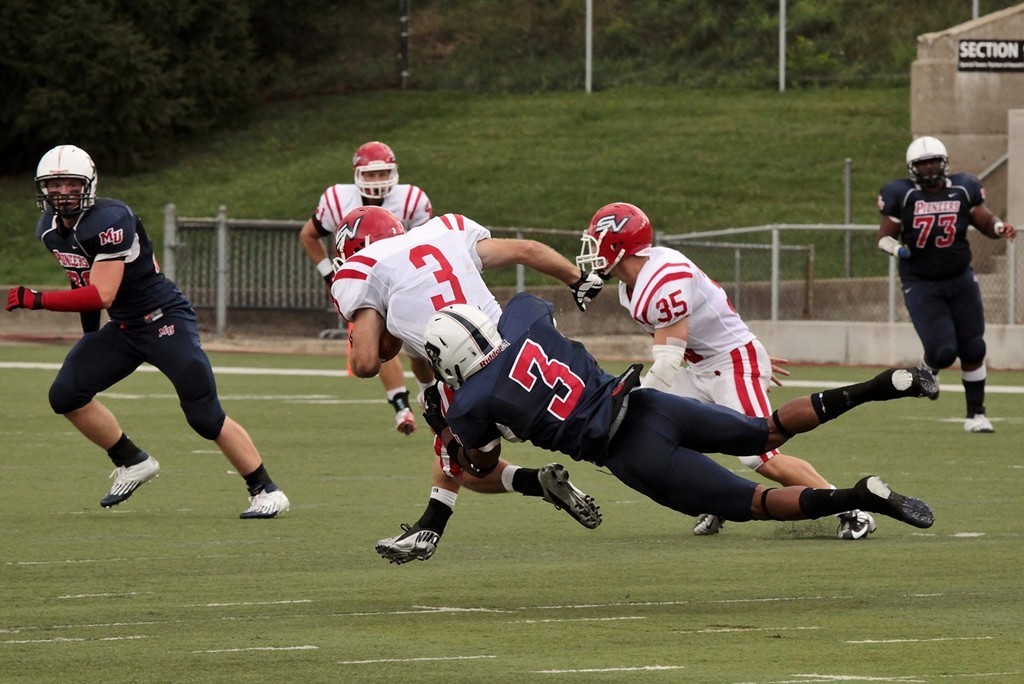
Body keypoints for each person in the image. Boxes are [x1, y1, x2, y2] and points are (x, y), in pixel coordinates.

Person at [421, 294, 938, 537]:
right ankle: (877, 386)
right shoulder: (523, 317)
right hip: (648, 404)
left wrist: (446, 428)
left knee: (755, 503)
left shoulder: (471, 403)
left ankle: (858, 494)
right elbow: (538, 316)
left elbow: (483, 467)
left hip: (628, 452)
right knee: (767, 428)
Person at [5, 145, 289, 519]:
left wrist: (37, 300)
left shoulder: (110, 218)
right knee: (66, 394)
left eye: (70, 183)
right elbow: (81, 282)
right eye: (53, 184)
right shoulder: (51, 231)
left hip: (163, 320)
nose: (61, 192)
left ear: (88, 184)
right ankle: (131, 460)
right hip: (123, 326)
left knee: (204, 415)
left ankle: (266, 490)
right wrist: (90, 335)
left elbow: (102, 292)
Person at [574, 202, 877, 540]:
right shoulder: (630, 285)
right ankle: (717, 502)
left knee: (761, 456)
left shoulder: (662, 278)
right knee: (663, 433)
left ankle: (849, 506)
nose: (591, 250)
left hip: (728, 363)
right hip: (702, 364)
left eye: (597, 240)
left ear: (619, 245)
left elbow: (668, 360)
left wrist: (632, 401)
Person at [329, 206, 605, 564]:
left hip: (470, 380)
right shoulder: (443, 233)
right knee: (590, 423)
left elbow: (366, 363)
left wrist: (364, 335)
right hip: (522, 352)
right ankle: (435, 525)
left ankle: (517, 490)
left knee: (467, 464)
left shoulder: (365, 269)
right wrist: (578, 278)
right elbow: (528, 250)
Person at [877, 136, 1017, 433]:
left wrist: (998, 227)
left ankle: (976, 414)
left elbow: (983, 219)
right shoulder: (901, 194)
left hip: (960, 278)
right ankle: (929, 368)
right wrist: (898, 250)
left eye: (933, 162)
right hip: (922, 282)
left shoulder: (962, 187)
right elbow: (884, 237)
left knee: (973, 347)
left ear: (944, 163)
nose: (929, 169)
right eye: (922, 164)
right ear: (912, 168)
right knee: (942, 352)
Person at [298, 141, 435, 435]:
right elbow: (309, 235)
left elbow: (429, 243)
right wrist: (328, 275)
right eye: (370, 175)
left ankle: (430, 391)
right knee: (374, 345)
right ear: (357, 174)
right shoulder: (337, 199)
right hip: (361, 284)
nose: (377, 181)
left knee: (417, 346)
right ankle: (401, 406)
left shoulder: (411, 199)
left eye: (383, 173)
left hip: (403, 281)